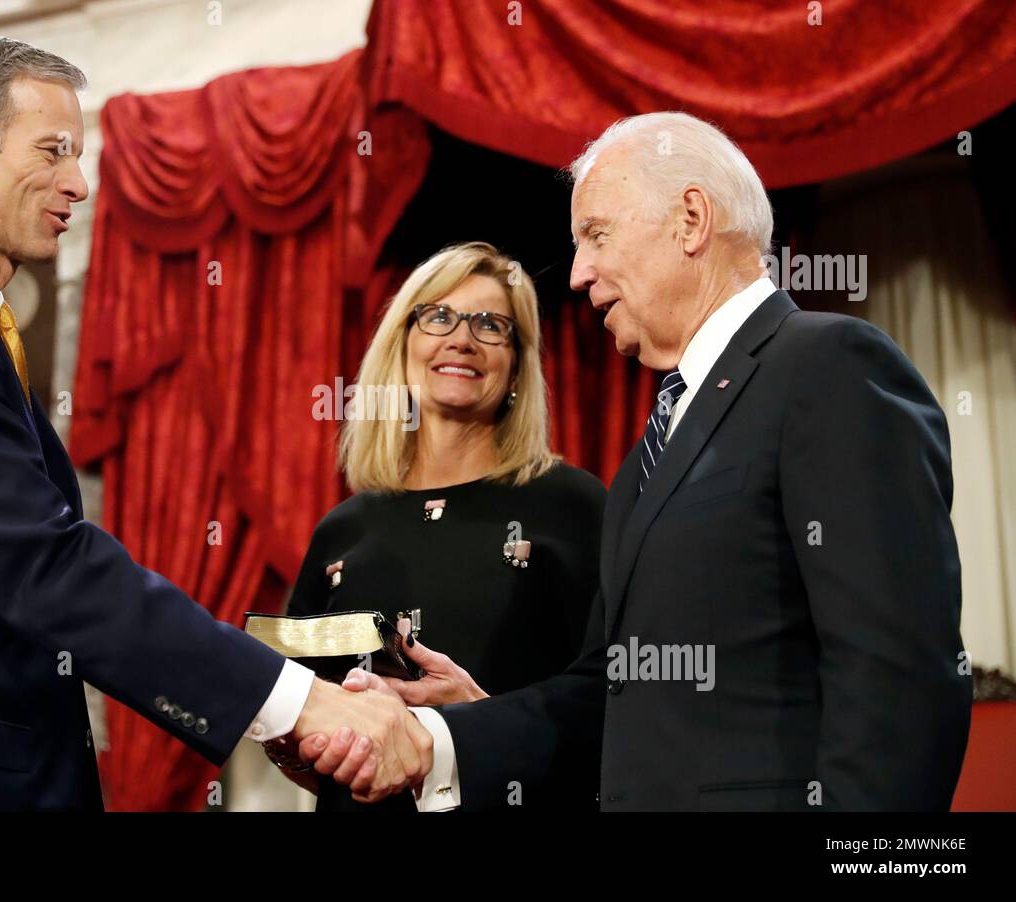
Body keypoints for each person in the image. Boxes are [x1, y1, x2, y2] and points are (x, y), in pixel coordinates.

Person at [0, 36, 428, 811]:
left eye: (79, 156)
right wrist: (300, 703)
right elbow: (43, 567)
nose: (79, 183)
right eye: (52, 151)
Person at [305, 111, 973, 811]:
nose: (578, 274)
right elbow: (607, 692)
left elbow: (900, 678)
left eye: (595, 235)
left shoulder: (827, 366)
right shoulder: (652, 451)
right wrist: (444, 736)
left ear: (690, 220)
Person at [272, 242, 606, 811]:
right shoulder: (341, 530)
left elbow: (612, 703)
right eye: (439, 317)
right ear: (402, 347)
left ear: (518, 364)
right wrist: (306, 745)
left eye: (491, 325)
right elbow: (292, 710)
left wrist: (478, 713)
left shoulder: (575, 506)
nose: (462, 339)